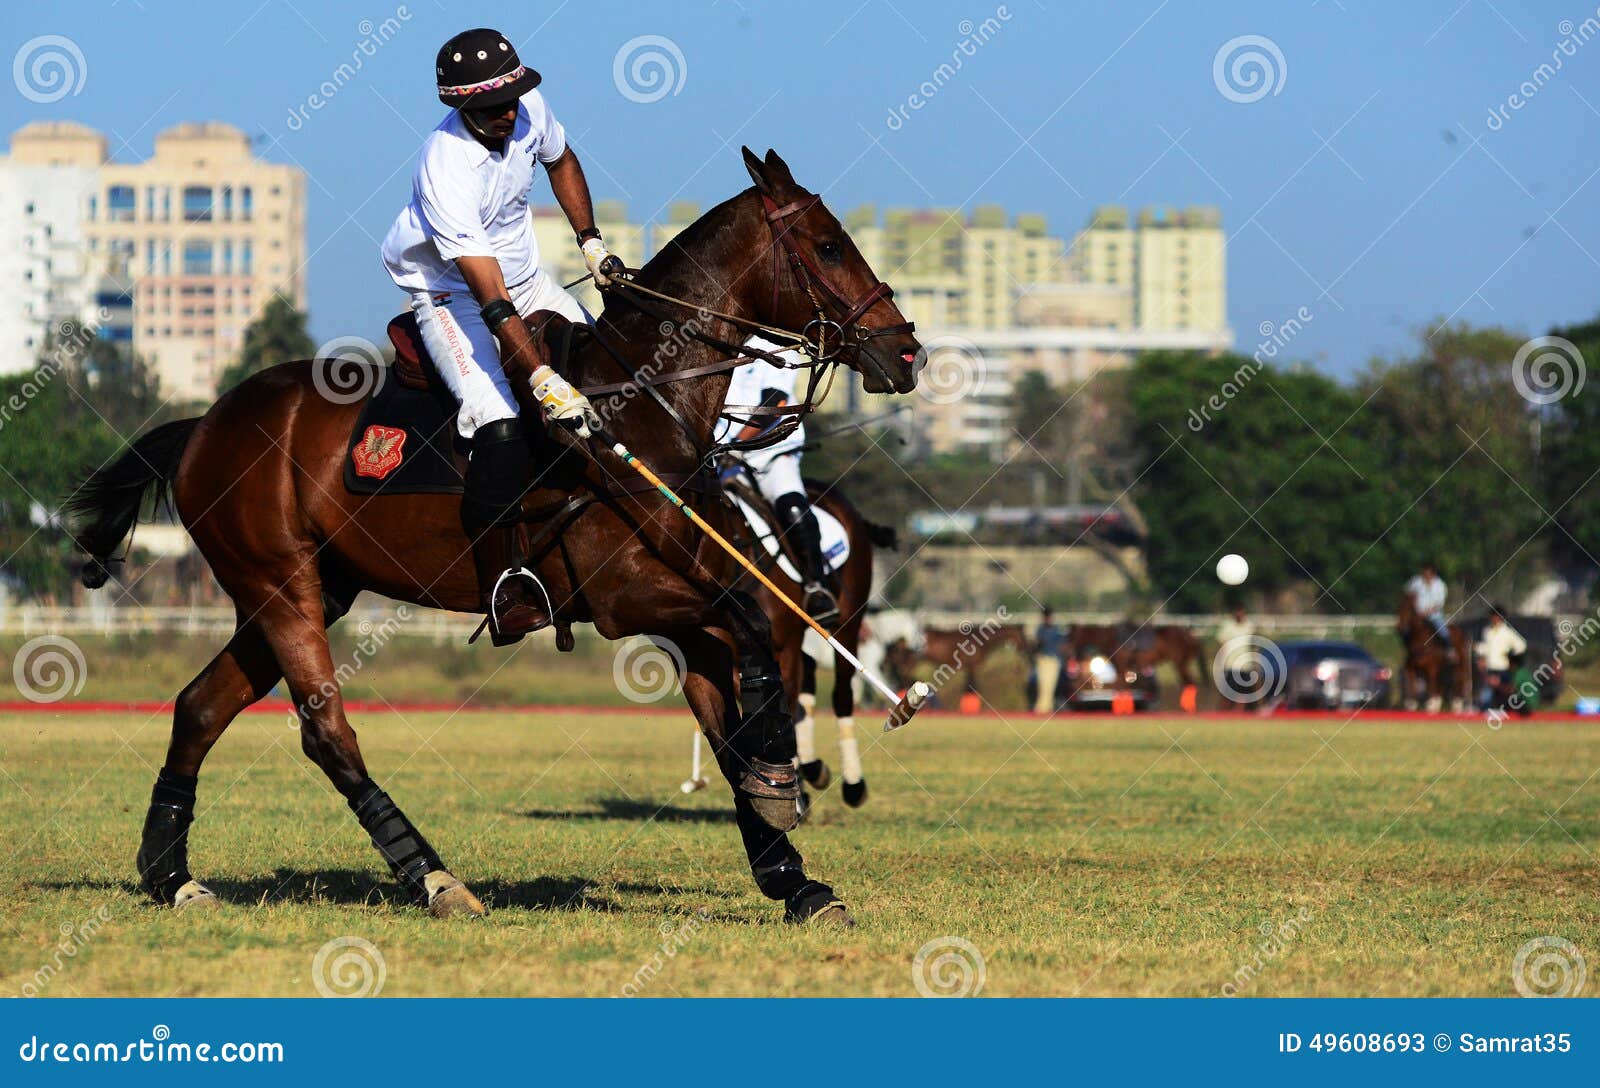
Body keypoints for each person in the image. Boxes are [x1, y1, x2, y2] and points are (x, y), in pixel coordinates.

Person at [380, 28, 623, 645]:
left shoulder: (526, 106)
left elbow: (562, 160)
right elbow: (489, 297)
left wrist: (591, 244)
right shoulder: (445, 165)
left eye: (512, 99)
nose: (508, 113)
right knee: (503, 423)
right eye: (492, 107)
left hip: (529, 279)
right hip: (453, 294)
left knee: (610, 380)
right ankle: (502, 587)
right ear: (461, 106)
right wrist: (539, 375)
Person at [717, 336, 837, 623]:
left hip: (768, 453)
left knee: (790, 505)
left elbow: (775, 402)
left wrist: (733, 445)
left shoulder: (775, 345)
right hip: (714, 455)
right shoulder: (716, 340)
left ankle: (816, 585)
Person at [1474, 605, 1527, 709]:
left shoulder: (1507, 632)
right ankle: (1486, 712)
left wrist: (1509, 655)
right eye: (1493, 617)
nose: (1494, 619)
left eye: (1497, 617)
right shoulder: (1487, 631)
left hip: (1503, 669)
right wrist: (1477, 649)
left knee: (1504, 697)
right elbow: (1486, 648)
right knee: (1486, 697)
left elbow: (1521, 645)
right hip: (1490, 668)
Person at [1215, 605, 1258, 706]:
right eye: (1238, 612)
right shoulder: (1227, 626)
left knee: (1245, 691)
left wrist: (1255, 659)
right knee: (1229, 691)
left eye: (1242, 612)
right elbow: (1221, 643)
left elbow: (1254, 644)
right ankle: (1227, 710)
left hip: (1246, 664)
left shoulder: (1250, 626)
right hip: (1231, 664)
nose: (1240, 615)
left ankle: (1242, 711)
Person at [1032, 607, 1067, 714]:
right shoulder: (1041, 629)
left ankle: (1047, 708)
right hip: (1043, 659)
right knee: (1042, 684)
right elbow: (1037, 645)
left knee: (1050, 685)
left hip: (1053, 660)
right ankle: (1041, 708)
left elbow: (1062, 645)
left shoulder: (1056, 629)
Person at [1405, 562, 1449, 640]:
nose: (1425, 575)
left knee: (1444, 633)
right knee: (1405, 631)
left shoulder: (1440, 585)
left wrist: (1427, 612)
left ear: (1433, 574)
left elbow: (1440, 603)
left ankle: (1449, 646)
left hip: (1434, 616)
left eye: (1427, 573)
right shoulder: (1415, 582)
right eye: (1424, 573)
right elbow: (1407, 594)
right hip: (1416, 616)